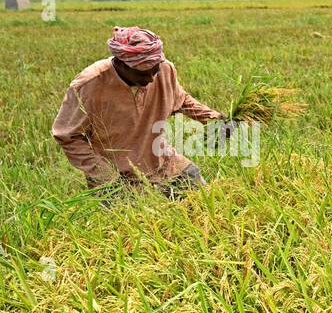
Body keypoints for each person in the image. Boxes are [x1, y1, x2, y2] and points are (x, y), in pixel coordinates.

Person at [52, 26, 228, 200]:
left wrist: (214, 119)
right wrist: (103, 174)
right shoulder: (89, 84)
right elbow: (68, 135)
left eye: (155, 69)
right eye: (144, 73)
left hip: (163, 162)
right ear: (121, 64)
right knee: (128, 225)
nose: (152, 78)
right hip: (116, 175)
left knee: (204, 200)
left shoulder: (165, 70)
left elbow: (181, 100)